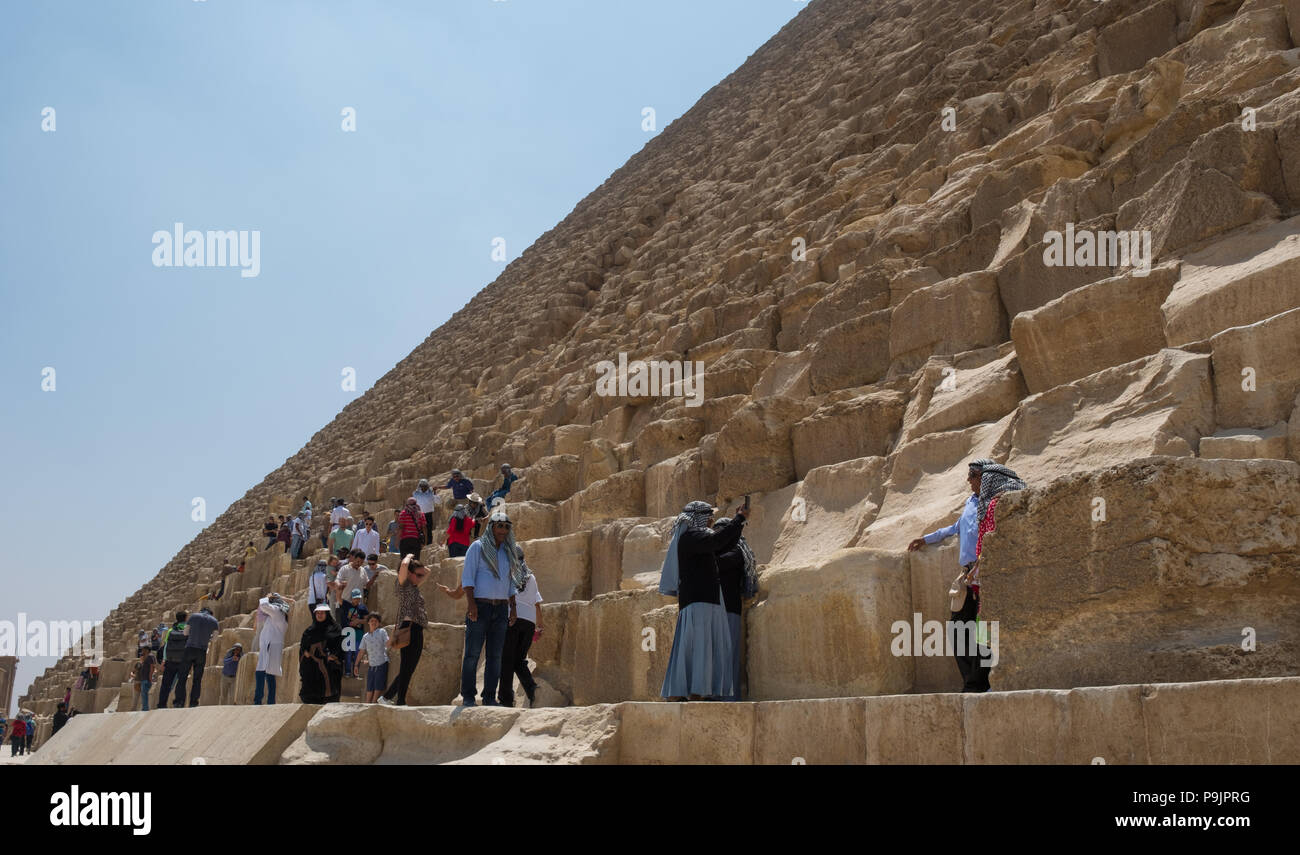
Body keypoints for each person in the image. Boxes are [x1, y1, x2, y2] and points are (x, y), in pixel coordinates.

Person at [908, 458, 989, 692]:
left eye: (972, 476)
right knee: (958, 630)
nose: (968, 480)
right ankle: (972, 682)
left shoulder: (992, 502)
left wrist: (981, 564)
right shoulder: (971, 501)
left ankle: (980, 685)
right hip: (968, 575)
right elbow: (955, 528)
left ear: (984, 477)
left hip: (985, 572)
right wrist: (926, 538)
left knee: (984, 631)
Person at [659, 500, 747, 701]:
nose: (711, 520)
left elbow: (723, 544)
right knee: (700, 647)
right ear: (698, 517)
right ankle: (694, 690)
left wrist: (738, 523)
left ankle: (693, 690)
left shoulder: (696, 539)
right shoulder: (692, 537)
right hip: (700, 601)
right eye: (708, 516)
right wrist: (738, 519)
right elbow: (716, 542)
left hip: (703, 601)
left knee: (699, 647)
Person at [459, 510, 524, 707]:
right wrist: (471, 604)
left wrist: (513, 608)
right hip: (481, 606)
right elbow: (468, 578)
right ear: (491, 527)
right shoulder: (477, 548)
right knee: (472, 654)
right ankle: (469, 696)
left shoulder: (507, 551)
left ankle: (489, 697)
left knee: (495, 656)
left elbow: (511, 581)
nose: (503, 530)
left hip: (501, 608)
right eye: (499, 525)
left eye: (506, 526)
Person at [713, 516, 758, 701]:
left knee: (728, 654)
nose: (717, 536)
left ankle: (728, 698)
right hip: (715, 609)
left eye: (720, 533)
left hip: (729, 609)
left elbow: (718, 564)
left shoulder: (737, 552)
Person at [379, 555, 429, 706]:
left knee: (409, 668)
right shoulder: (403, 585)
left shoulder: (414, 587)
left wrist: (417, 567)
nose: (421, 578)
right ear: (409, 573)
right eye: (418, 575)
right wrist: (408, 557)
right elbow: (403, 567)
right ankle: (397, 700)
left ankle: (388, 698)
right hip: (408, 629)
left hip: (417, 629)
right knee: (406, 666)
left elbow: (428, 571)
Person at [498, 545, 542, 708]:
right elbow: (537, 603)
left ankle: (506, 699)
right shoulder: (531, 577)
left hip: (513, 619)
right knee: (518, 660)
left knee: (507, 660)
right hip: (529, 622)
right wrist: (539, 625)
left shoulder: (507, 573)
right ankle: (532, 690)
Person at [299, 604, 344, 704]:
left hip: (328, 664)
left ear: (327, 614)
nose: (319, 615)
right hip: (312, 666)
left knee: (330, 690)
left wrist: (333, 655)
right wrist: (305, 652)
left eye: (322, 613)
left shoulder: (335, 629)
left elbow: (339, 645)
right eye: (318, 613)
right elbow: (303, 646)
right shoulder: (309, 631)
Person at [175, 606, 219, 707]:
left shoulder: (193, 617)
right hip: (202, 651)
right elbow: (215, 639)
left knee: (182, 677)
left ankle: (179, 702)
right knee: (197, 679)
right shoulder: (214, 621)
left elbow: (185, 633)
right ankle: (193, 702)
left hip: (190, 649)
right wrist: (207, 637)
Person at [254, 593, 291, 704]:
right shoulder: (280, 617)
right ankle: (270, 701)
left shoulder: (276, 611)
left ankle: (258, 701)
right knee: (270, 675)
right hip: (272, 646)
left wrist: (268, 597)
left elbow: (264, 606)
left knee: (260, 672)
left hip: (270, 646)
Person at [155, 611, 188, 708]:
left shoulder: (170, 630)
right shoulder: (188, 629)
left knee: (166, 684)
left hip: (170, 660)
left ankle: (161, 704)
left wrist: (164, 661)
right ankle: (179, 703)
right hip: (182, 661)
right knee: (181, 683)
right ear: (186, 618)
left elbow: (165, 647)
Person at [357, 613, 389, 704]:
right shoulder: (365, 636)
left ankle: (373, 703)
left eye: (376, 621)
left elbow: (387, 643)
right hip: (371, 666)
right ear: (368, 623)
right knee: (369, 687)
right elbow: (361, 651)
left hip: (381, 663)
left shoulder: (382, 632)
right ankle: (367, 704)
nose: (373, 622)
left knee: (378, 686)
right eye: (371, 621)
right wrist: (356, 665)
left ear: (379, 623)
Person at [338, 589, 369, 677]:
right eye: (355, 598)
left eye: (358, 598)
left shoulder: (363, 607)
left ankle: (356, 672)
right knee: (348, 653)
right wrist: (340, 588)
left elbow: (368, 620)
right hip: (348, 632)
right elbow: (338, 599)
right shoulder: (346, 605)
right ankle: (347, 672)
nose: (357, 600)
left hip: (358, 632)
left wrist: (359, 621)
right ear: (351, 598)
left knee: (357, 652)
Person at [413, 479, 439, 545]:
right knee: (420, 530)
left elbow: (438, 501)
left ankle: (429, 544)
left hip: (428, 515)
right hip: (419, 515)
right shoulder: (416, 494)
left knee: (429, 530)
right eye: (422, 486)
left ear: (427, 486)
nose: (423, 487)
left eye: (425, 486)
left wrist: (434, 492)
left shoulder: (431, 493)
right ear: (420, 486)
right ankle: (421, 544)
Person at [134, 643, 157, 711]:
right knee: (144, 694)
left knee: (144, 694)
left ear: (147, 650)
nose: (142, 651)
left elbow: (152, 667)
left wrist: (150, 677)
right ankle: (145, 707)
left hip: (146, 679)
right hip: (144, 679)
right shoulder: (147, 657)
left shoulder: (150, 656)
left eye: (143, 650)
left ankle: (145, 708)